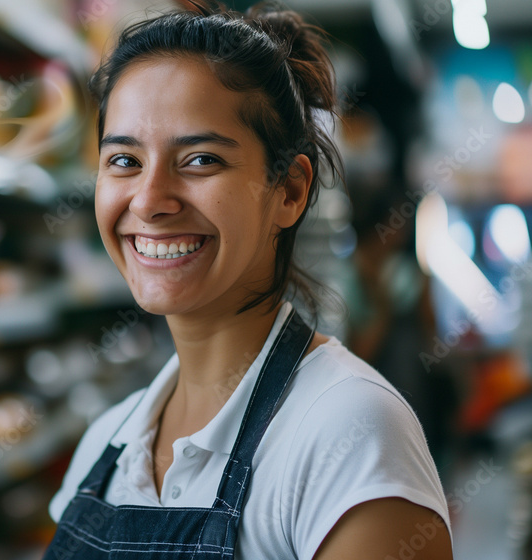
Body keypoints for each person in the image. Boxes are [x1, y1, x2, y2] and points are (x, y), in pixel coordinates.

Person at [44, 3, 452, 559]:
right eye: (123, 161)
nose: (150, 199)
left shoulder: (350, 432)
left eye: (201, 159)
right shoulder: (108, 443)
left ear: (289, 191)